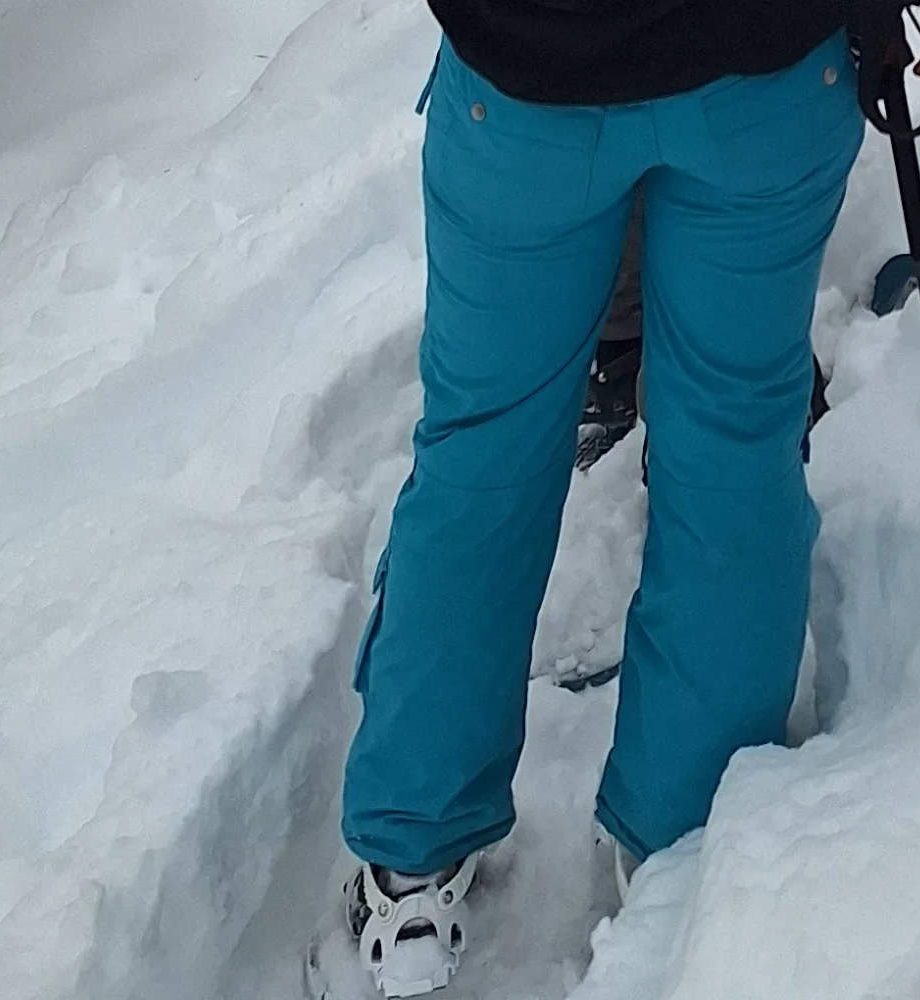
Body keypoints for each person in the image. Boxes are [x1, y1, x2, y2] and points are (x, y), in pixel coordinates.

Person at [320, 0, 863, 994]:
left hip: (530, 88)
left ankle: (412, 860)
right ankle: (684, 834)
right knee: (735, 453)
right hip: (768, 85)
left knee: (482, 456)